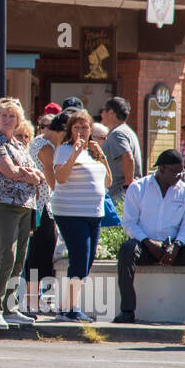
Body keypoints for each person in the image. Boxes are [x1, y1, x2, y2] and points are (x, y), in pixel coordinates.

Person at [114, 149, 185, 326]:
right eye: (176, 172)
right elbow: (129, 223)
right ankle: (127, 311)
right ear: (161, 169)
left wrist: (177, 245)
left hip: (174, 249)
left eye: (182, 171)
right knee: (127, 250)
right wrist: (147, 241)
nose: (180, 175)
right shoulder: (138, 188)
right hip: (145, 246)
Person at [0, 97, 44, 330]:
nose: (8, 120)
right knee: (6, 256)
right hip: (4, 205)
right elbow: (8, 171)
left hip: (26, 204)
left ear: (19, 120)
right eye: (4, 116)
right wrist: (29, 175)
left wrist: (30, 174)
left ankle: (11, 308)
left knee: (19, 260)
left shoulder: (18, 144)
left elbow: (36, 172)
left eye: (12, 116)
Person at [50, 110, 110, 321]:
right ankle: (69, 309)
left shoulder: (94, 152)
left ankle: (69, 306)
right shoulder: (64, 150)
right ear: (71, 131)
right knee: (79, 257)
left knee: (88, 260)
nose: (81, 131)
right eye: (77, 128)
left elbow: (108, 182)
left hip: (93, 213)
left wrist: (101, 157)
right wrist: (74, 154)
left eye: (85, 127)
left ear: (91, 129)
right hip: (70, 212)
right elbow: (61, 178)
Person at [22, 112, 65, 312]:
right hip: (42, 207)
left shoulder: (39, 141)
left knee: (39, 254)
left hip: (38, 205)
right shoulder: (46, 147)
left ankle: (33, 300)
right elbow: (52, 180)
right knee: (40, 254)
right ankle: (32, 301)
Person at [101, 96, 142, 203]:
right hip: (121, 193)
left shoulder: (117, 133)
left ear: (111, 112)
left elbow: (128, 158)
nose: (101, 114)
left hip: (119, 194)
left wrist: (128, 187)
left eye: (103, 111)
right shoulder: (126, 131)